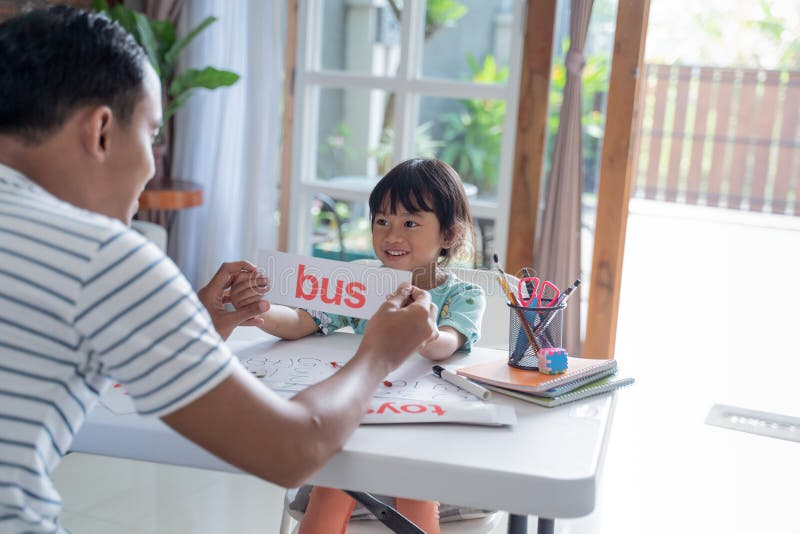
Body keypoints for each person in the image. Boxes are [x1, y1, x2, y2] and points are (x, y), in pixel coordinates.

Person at [0, 7, 437, 534]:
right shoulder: (103, 256)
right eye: (152, 133)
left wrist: (202, 323)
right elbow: (289, 449)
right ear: (101, 130)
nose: (150, 165)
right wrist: (378, 353)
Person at [229, 158, 486, 534]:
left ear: (449, 234)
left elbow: (448, 343)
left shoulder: (462, 295)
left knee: (414, 487)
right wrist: (260, 313)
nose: (392, 235)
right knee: (337, 477)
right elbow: (305, 320)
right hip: (357, 419)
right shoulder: (362, 280)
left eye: (410, 223)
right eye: (382, 221)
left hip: (419, 428)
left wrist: (426, 334)